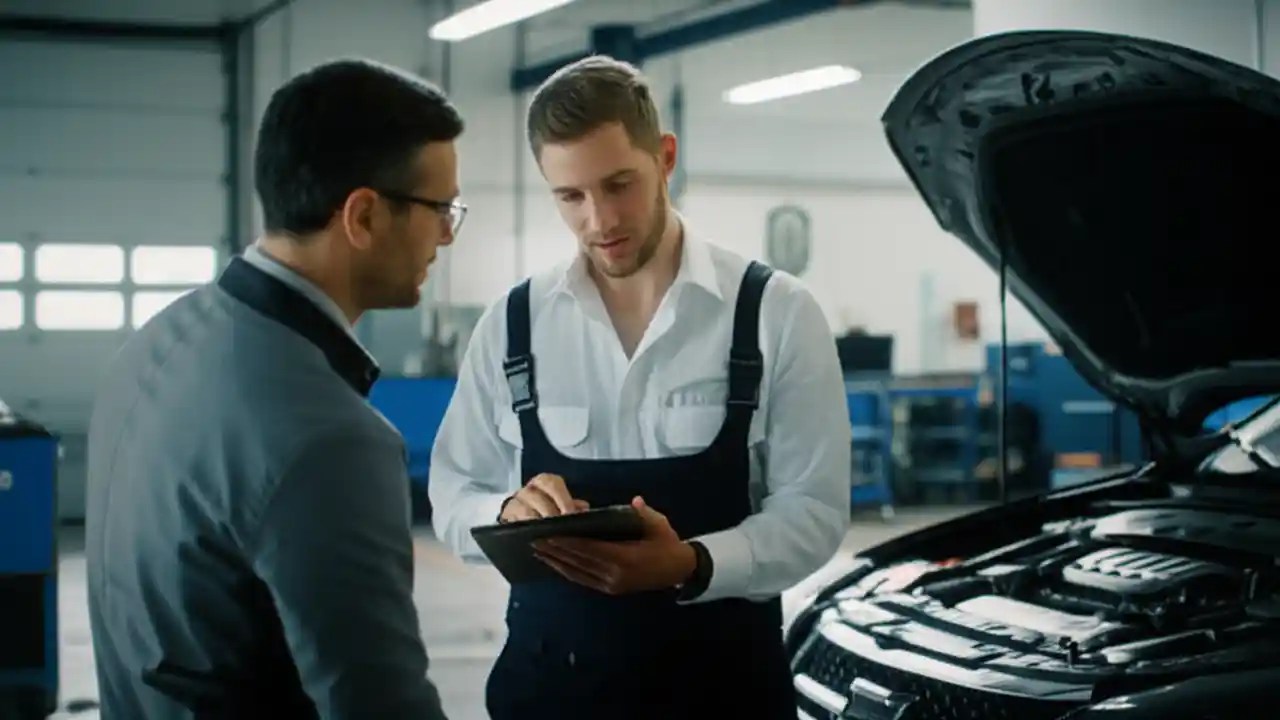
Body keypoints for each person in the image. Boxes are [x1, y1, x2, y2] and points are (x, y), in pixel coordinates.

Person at [429, 55, 852, 719]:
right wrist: (505, 511)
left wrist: (692, 562)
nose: (600, 220)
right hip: (548, 696)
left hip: (722, 696)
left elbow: (815, 511)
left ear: (665, 157)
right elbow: (454, 494)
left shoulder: (777, 313)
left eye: (619, 184)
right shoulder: (513, 325)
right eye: (570, 197)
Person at [84, 58, 464, 719]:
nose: (448, 235)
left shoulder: (156, 343)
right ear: (363, 216)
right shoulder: (332, 439)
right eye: (440, 210)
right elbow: (378, 704)